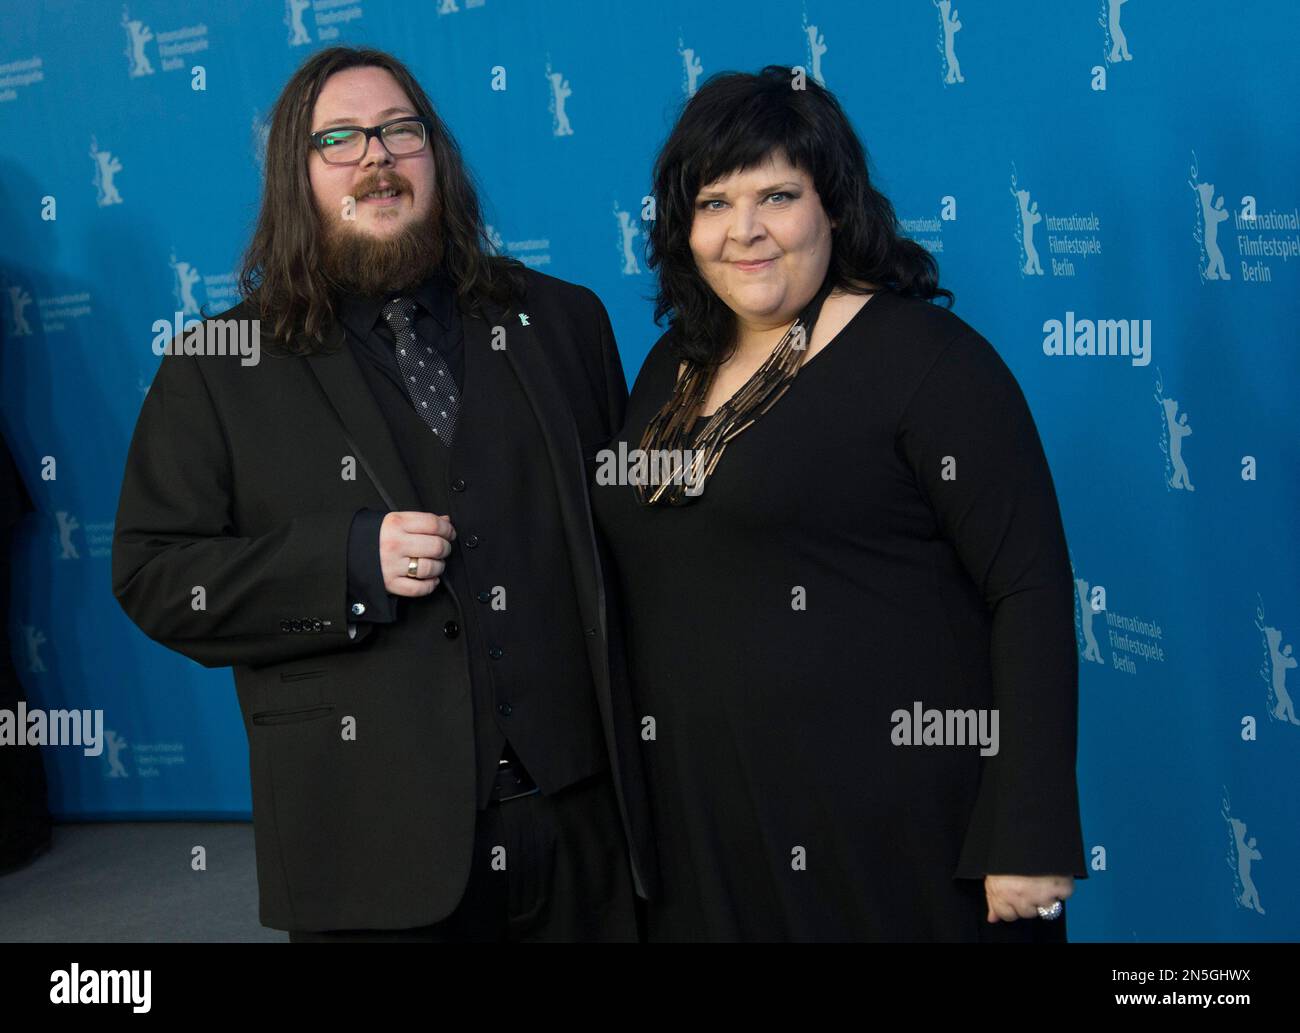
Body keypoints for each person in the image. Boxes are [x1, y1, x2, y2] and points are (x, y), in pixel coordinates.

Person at [112, 46, 655, 941]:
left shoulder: (564, 321)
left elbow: (630, 555)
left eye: (400, 132)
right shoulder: (216, 366)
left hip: (579, 835)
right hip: (369, 848)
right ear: (298, 175)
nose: (377, 158)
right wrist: (345, 561)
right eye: (341, 140)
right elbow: (153, 575)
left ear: (436, 158)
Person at [590, 66, 1087, 941]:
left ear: (834, 206)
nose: (745, 230)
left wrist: (1029, 828)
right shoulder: (669, 367)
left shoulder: (929, 363)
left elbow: (1032, 590)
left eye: (777, 195)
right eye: (713, 202)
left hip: (892, 835)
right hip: (705, 835)